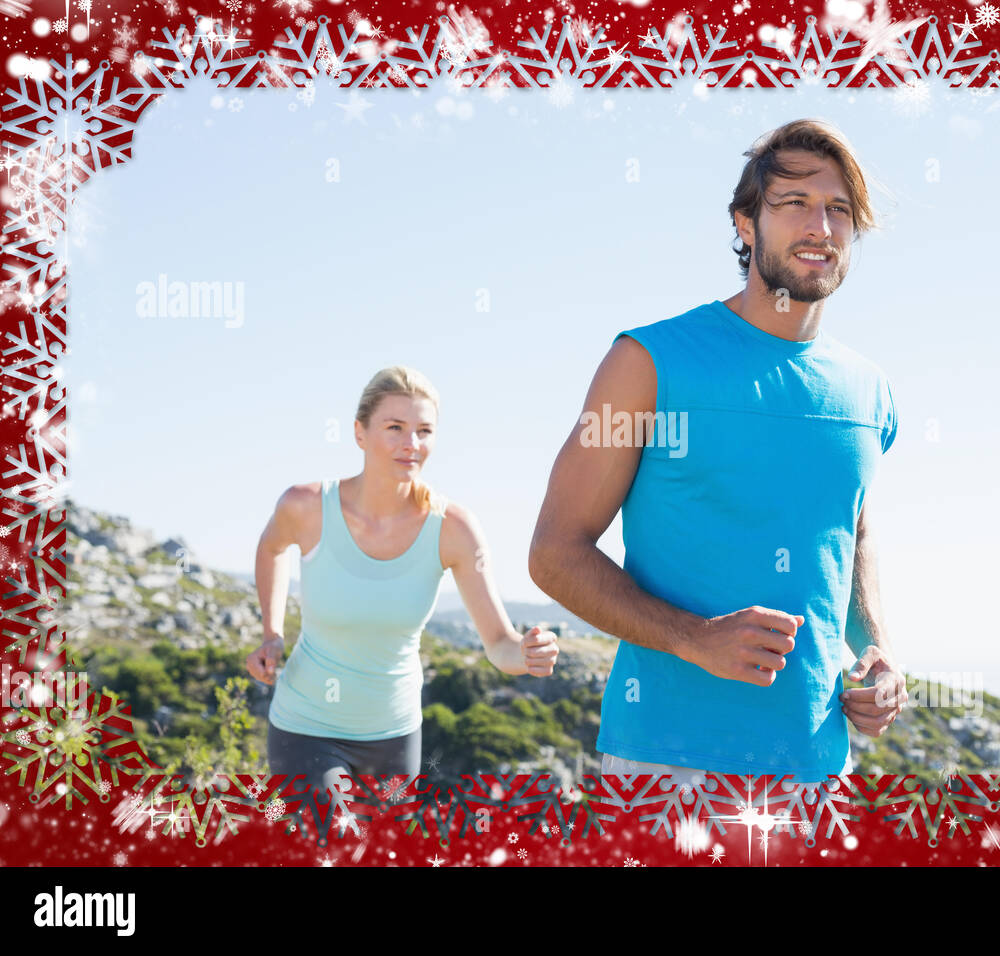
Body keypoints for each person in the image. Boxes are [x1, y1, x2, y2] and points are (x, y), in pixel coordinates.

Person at [528, 118, 906, 787]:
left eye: (839, 209)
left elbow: (852, 534)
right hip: (666, 767)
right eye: (794, 204)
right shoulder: (647, 362)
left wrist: (876, 650)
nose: (820, 225)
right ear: (744, 224)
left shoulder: (869, 394)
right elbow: (555, 553)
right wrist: (692, 639)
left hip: (820, 770)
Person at [248, 366, 560, 795]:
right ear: (360, 432)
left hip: (393, 738)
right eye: (395, 428)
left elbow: (499, 645)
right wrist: (271, 633)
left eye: (424, 431)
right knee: (331, 841)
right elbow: (271, 548)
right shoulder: (306, 506)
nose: (411, 444)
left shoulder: (453, 528)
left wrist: (527, 654)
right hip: (306, 728)